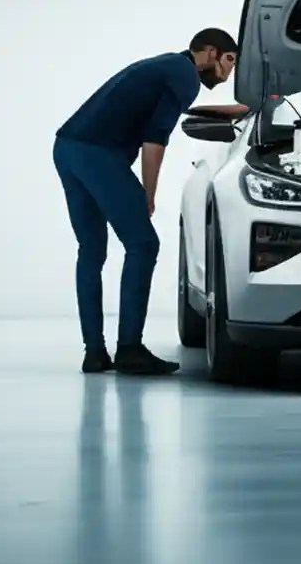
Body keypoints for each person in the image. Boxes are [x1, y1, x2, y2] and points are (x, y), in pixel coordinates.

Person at [53, 28, 248, 375]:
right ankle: (129, 349)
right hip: (98, 155)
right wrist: (148, 193)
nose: (230, 71)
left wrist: (238, 110)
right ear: (211, 53)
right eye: (230, 60)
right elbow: (155, 139)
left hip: (68, 147)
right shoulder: (185, 77)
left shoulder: (170, 68)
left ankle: (95, 353)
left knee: (92, 250)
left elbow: (175, 109)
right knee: (143, 244)